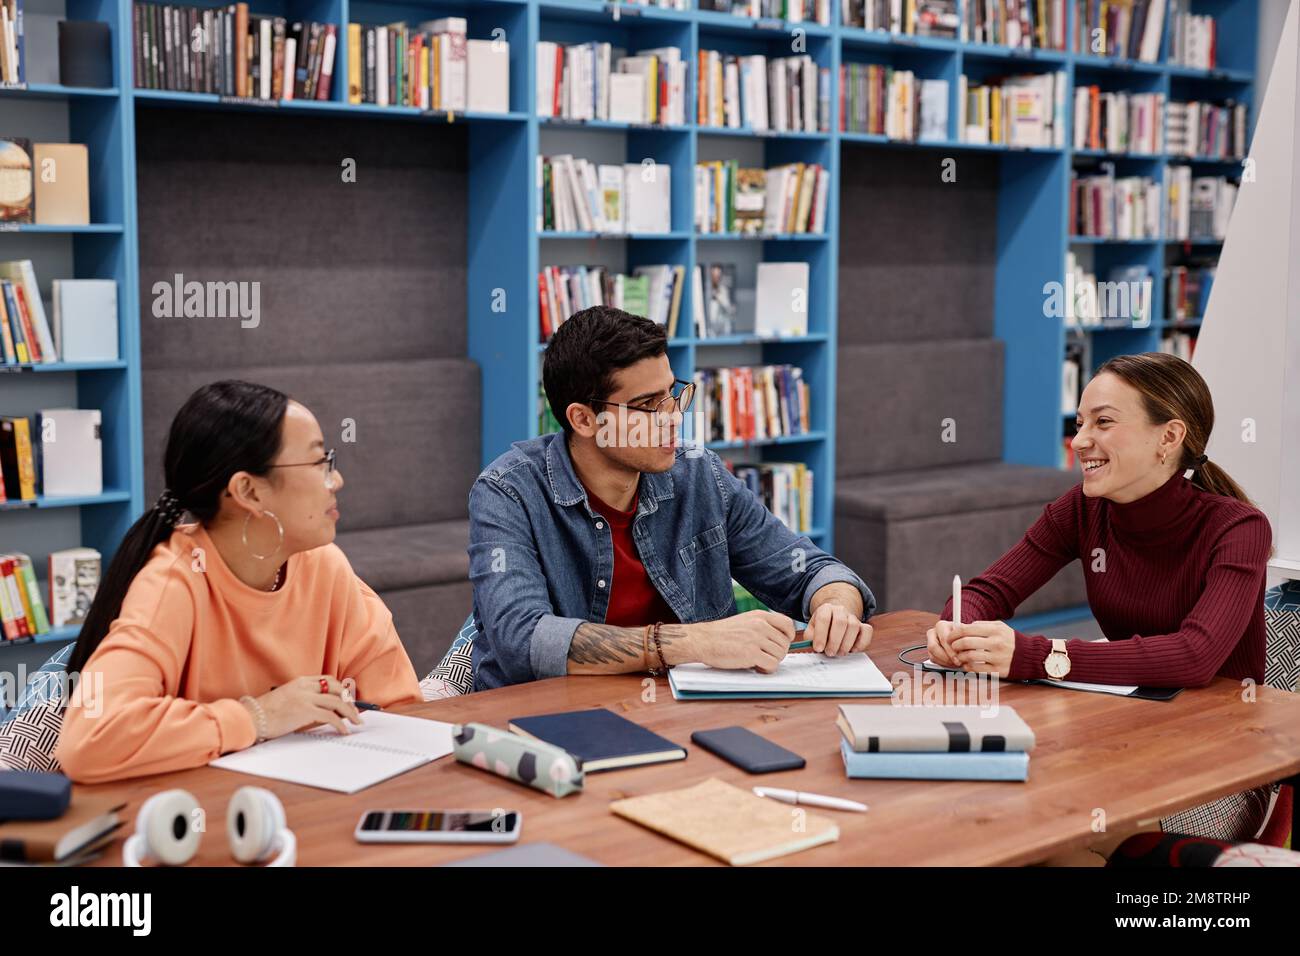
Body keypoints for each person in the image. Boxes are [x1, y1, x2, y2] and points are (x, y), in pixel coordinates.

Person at [926, 352, 1274, 855]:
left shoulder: (1238, 528)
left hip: (1221, 756)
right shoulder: (1083, 509)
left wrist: (1037, 655)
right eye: (1080, 422)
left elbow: (1195, 656)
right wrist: (957, 628)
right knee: (995, 822)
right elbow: (987, 591)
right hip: (1122, 730)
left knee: (1055, 841)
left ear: (1169, 437)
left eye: (1104, 422)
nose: (1081, 440)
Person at [468, 305, 876, 690]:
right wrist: (694, 643)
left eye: (672, 394)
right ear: (583, 419)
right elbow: (523, 640)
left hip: (683, 714)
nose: (674, 417)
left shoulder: (700, 474)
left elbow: (809, 568)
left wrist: (835, 605)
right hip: (553, 723)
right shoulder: (508, 493)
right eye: (647, 405)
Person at [55, 381, 422, 783]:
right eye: (320, 463)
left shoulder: (325, 567)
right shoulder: (173, 582)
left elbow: (402, 711)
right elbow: (89, 740)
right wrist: (260, 715)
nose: (336, 481)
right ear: (247, 490)